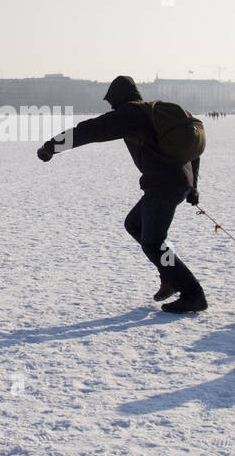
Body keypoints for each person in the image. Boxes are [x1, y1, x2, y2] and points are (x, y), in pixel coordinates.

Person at [36, 75, 206, 313]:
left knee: (152, 242)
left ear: (118, 98)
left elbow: (89, 131)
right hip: (171, 182)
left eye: (111, 102)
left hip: (164, 185)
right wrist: (192, 184)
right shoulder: (153, 114)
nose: (111, 108)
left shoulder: (130, 114)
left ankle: (192, 294)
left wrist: (51, 146)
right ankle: (170, 276)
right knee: (135, 224)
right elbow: (192, 151)